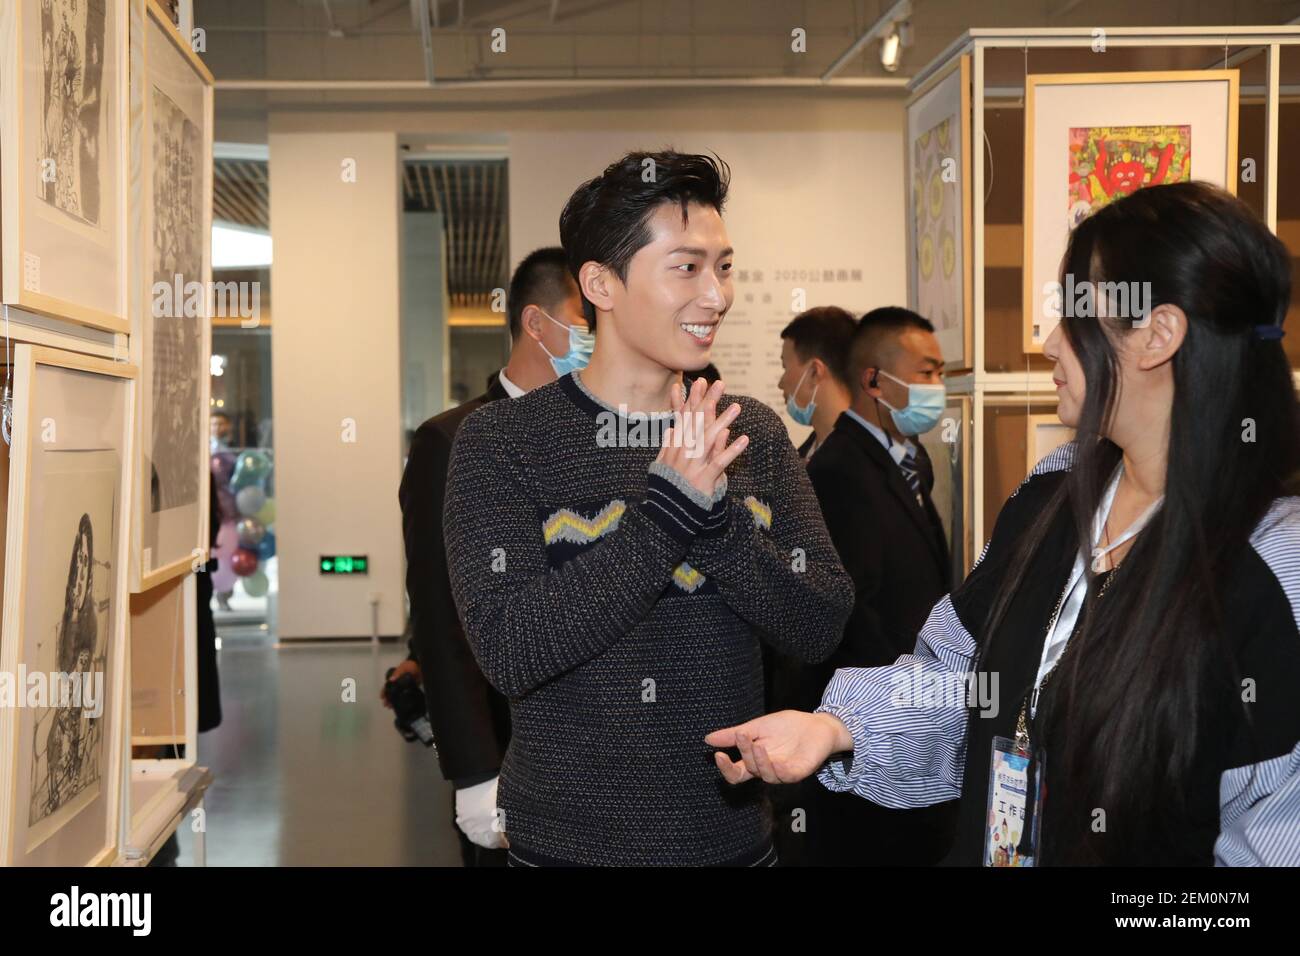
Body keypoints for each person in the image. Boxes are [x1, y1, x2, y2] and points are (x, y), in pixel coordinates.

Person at [707, 181, 1300, 865]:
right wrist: (837, 728)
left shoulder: (1270, 567)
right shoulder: (1052, 496)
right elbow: (960, 676)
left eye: (1076, 311)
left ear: (1158, 335)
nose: (1049, 343)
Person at [442, 149, 854, 867]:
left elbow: (819, 621)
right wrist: (667, 513)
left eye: (724, 266)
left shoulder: (750, 432)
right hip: (565, 849)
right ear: (601, 283)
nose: (717, 295)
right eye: (686, 267)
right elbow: (511, 650)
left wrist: (721, 528)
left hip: (732, 844)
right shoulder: (503, 442)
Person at [392, 246, 588, 867]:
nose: (600, 341)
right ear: (537, 324)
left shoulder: (600, 434)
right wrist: (475, 771)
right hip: (506, 744)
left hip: (594, 745)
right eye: (586, 325)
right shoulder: (450, 441)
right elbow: (439, 618)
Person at [772, 307, 957, 865]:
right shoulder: (837, 471)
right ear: (874, 379)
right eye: (925, 373)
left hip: (913, 725)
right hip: (870, 728)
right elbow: (847, 611)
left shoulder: (909, 462)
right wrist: (911, 699)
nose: (937, 388)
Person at [777, 306, 857, 461]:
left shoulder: (861, 459)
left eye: (785, 367)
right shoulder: (805, 455)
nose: (781, 383)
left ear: (815, 372)